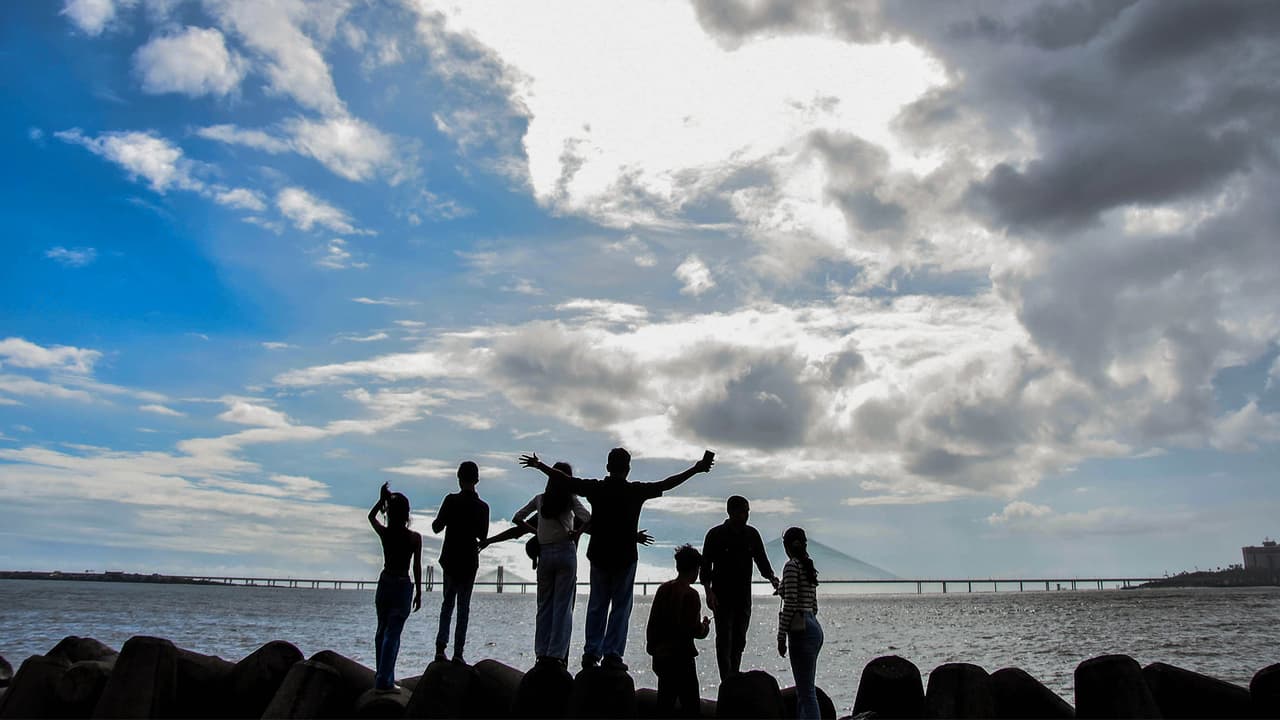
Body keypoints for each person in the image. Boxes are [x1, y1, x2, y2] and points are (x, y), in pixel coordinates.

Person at [520, 447, 713, 671]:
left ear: (608, 467)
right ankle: (612, 655)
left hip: (599, 554)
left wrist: (540, 466)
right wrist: (696, 469)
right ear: (628, 468)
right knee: (621, 608)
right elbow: (667, 483)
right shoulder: (635, 491)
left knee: (597, 606)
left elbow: (567, 482)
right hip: (625, 556)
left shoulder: (597, 488)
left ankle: (591, 654)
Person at [515, 461, 592, 665]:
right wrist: (578, 532)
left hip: (545, 553)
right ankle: (556, 655)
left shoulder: (540, 500)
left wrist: (537, 532)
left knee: (544, 606)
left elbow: (517, 518)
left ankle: (541, 652)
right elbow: (589, 518)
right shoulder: (570, 499)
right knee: (562, 607)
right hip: (566, 551)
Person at [700, 495, 779, 680]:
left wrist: (772, 579)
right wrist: (708, 592)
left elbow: (762, 561)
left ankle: (734, 676)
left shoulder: (752, 534)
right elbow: (705, 567)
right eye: (742, 511)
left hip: (743, 597)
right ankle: (726, 680)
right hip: (721, 597)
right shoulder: (715, 534)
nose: (746, 515)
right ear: (731, 512)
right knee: (724, 640)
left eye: (747, 511)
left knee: (739, 639)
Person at [431, 461, 489, 664]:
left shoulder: (450, 501)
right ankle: (458, 653)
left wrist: (446, 520)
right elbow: (483, 536)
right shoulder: (483, 507)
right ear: (477, 480)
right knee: (464, 607)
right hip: (469, 560)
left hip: (450, 559)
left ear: (459, 478)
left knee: (447, 603)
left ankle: (440, 649)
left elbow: (436, 527)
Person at [367, 483, 422, 692]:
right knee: (393, 633)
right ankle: (385, 680)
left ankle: (382, 676)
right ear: (407, 514)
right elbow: (416, 566)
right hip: (402, 584)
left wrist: (382, 501)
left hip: (385, 581)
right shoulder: (414, 538)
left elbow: (371, 517)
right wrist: (419, 591)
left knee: (381, 631)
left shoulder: (386, 533)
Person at [646, 545, 711, 718]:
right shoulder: (691, 595)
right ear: (695, 569)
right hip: (682, 660)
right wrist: (705, 626)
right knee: (691, 707)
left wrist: (653, 650)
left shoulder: (663, 590)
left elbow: (653, 624)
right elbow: (695, 631)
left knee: (664, 704)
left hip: (661, 658)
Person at [777, 527, 823, 720]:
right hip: (814, 627)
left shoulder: (790, 566)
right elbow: (813, 605)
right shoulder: (808, 567)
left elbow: (791, 604)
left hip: (801, 630)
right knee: (806, 689)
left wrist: (781, 636)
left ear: (786, 546)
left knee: (806, 694)